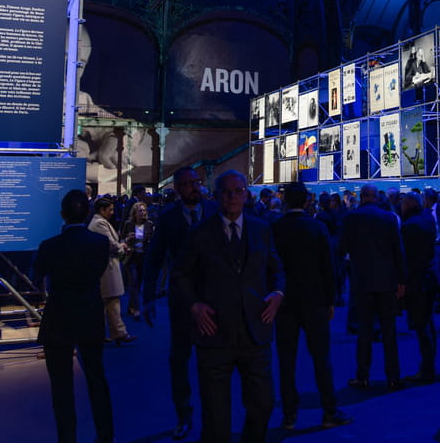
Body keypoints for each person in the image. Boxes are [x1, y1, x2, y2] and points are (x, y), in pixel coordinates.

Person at [171, 170, 284, 443]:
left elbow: (276, 268)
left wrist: (279, 292)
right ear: (217, 195)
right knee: (215, 415)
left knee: (263, 404)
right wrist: (194, 305)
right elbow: (180, 274)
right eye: (227, 192)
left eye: (238, 191)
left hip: (255, 330)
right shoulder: (200, 233)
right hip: (214, 333)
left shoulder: (262, 228)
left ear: (246, 194)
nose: (233, 197)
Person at [31, 189, 115, 443]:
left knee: (61, 388)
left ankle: (67, 438)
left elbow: (36, 278)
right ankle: (105, 437)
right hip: (89, 316)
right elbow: (99, 272)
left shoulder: (49, 246)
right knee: (96, 380)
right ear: (87, 213)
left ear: (61, 215)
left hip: (58, 318)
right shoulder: (99, 244)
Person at [142, 167, 218, 440]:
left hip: (215, 299)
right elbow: (154, 258)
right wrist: (147, 297)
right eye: (187, 184)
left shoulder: (214, 210)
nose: (193, 188)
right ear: (177, 188)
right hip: (182, 301)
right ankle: (183, 415)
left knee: (214, 361)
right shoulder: (168, 218)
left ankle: (214, 417)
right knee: (180, 360)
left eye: (196, 182)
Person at [271, 182, 352, 430]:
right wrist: (331, 299)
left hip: (284, 302)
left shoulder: (274, 228)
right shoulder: (317, 227)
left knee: (286, 361)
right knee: (321, 359)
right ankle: (329, 411)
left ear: (285, 201)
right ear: (307, 200)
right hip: (314, 300)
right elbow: (328, 267)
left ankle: (289, 415)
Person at [339, 183, 405, 389]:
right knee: (389, 331)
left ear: (361, 196)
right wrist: (402, 280)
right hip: (387, 281)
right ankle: (393, 377)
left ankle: (362, 375)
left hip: (362, 280)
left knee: (364, 331)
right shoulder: (389, 218)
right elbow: (398, 251)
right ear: (376, 197)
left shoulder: (351, 218)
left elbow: (342, 248)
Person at [400, 191, 438, 384]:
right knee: (427, 323)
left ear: (407, 205)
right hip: (430, 276)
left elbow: (406, 257)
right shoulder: (427, 219)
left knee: (421, 325)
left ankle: (426, 370)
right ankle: (429, 366)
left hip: (417, 280)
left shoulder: (408, 226)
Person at [88, 196, 136, 345]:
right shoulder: (99, 223)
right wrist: (123, 246)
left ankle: (110, 333)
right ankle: (117, 333)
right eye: (110, 210)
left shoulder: (99, 222)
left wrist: (121, 244)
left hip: (107, 267)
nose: (112, 212)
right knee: (111, 301)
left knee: (108, 302)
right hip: (106, 267)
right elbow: (111, 245)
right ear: (102, 210)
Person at [121, 200, 154, 318]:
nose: (143, 213)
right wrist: (127, 239)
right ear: (134, 213)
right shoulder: (128, 224)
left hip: (143, 257)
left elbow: (153, 241)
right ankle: (136, 309)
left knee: (138, 283)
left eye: (144, 210)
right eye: (140, 211)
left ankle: (131, 305)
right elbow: (121, 239)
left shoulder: (149, 224)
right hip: (131, 256)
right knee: (133, 282)